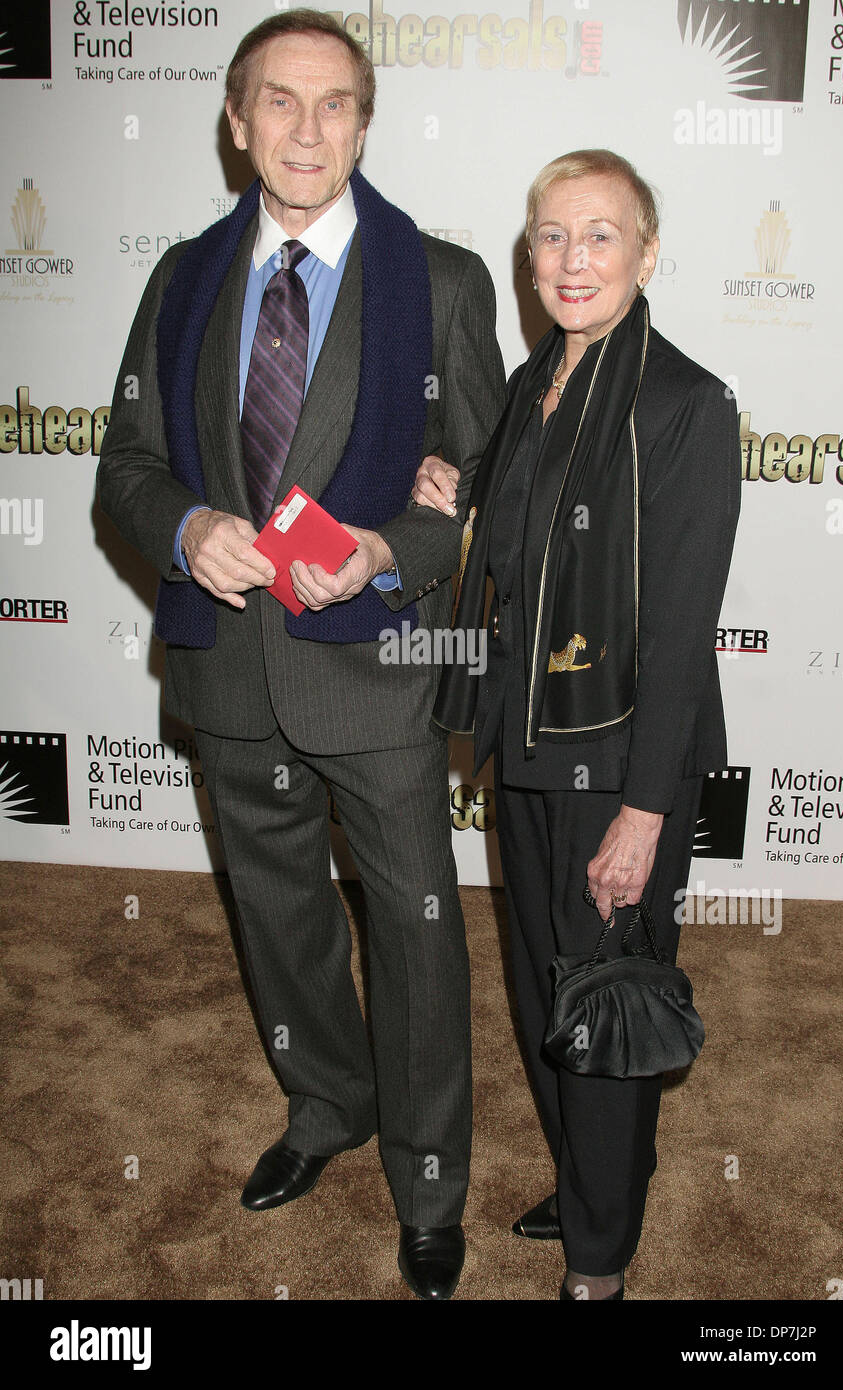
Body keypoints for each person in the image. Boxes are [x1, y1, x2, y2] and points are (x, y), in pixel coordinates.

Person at [96, 9, 504, 1301]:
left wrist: (393, 546)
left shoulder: (439, 280)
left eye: (335, 105)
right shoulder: (182, 279)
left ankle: (431, 1177)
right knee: (277, 916)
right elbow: (125, 473)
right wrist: (189, 524)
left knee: (417, 928)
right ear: (237, 122)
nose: (308, 129)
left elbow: (484, 480)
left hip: (374, 667)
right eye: (281, 102)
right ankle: (326, 1102)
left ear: (366, 124)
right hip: (228, 667)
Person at [413, 149, 741, 1300]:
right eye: (550, 234)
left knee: (605, 999)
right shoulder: (529, 383)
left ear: (646, 254)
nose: (571, 257)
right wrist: (455, 490)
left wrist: (643, 818)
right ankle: (596, 1181)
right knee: (549, 995)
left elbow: (677, 635)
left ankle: (599, 1262)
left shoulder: (684, 403)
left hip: (620, 766)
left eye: (599, 234)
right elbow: (516, 534)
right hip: (527, 748)